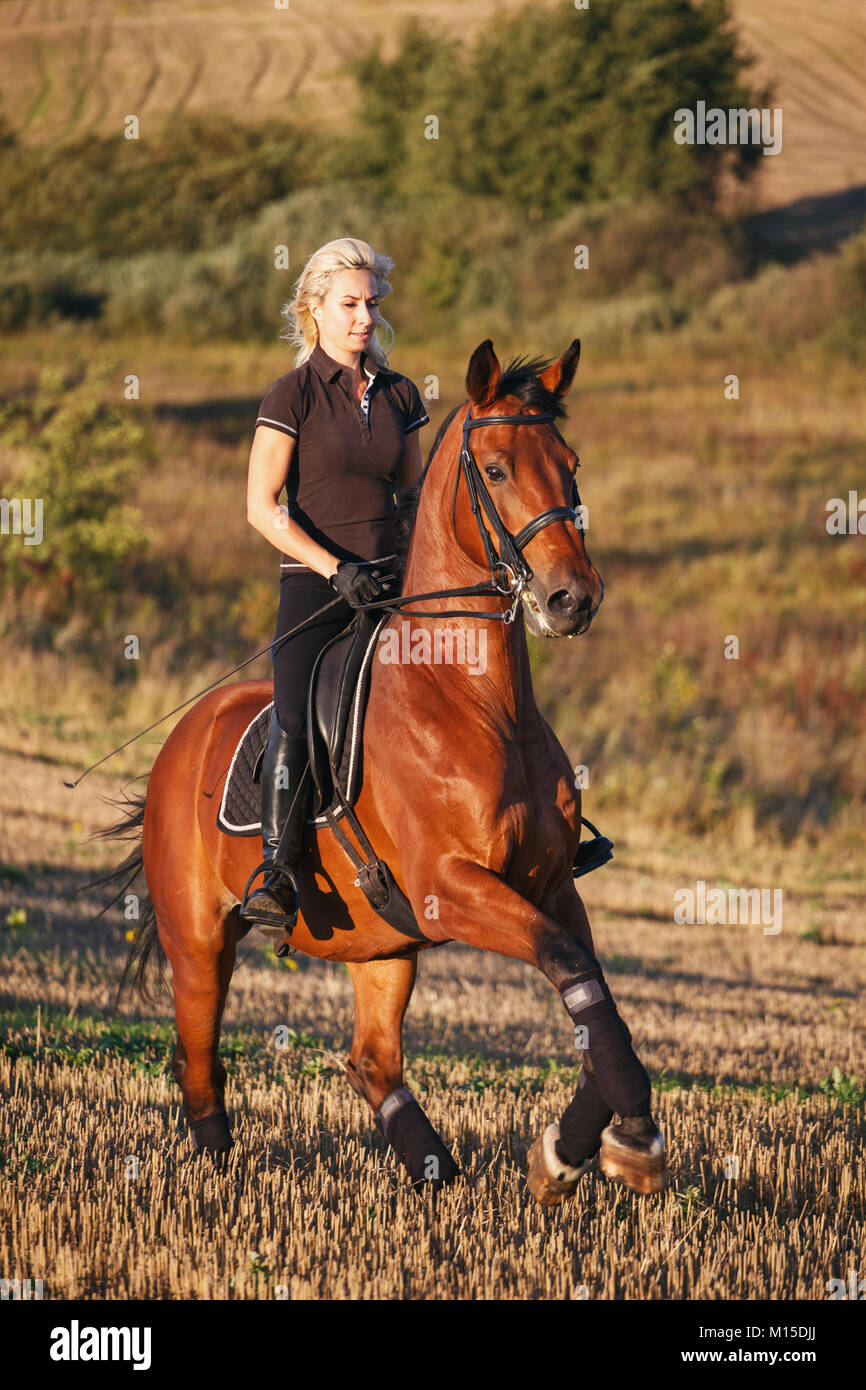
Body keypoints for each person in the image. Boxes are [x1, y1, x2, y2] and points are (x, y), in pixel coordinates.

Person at [241, 237, 429, 930]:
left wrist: (411, 569)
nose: (363, 319)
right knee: (294, 715)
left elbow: (413, 500)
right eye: (348, 305)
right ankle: (277, 870)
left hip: (392, 588)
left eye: (371, 305)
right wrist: (335, 569)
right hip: (316, 589)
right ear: (313, 310)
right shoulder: (290, 395)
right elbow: (262, 509)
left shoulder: (404, 394)